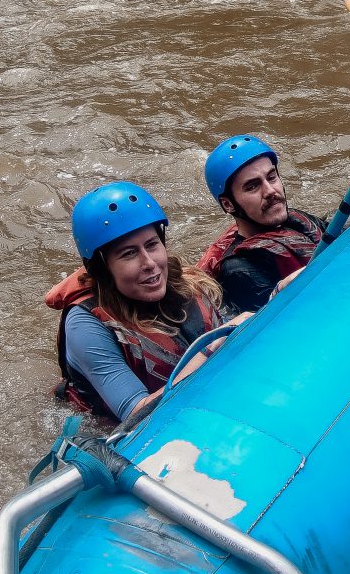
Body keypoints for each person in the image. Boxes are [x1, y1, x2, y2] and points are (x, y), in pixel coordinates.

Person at [46, 181, 226, 424]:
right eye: (129, 253)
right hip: (114, 430)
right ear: (102, 269)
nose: (149, 263)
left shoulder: (185, 282)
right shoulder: (84, 325)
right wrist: (210, 351)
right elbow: (136, 414)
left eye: (152, 245)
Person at [197, 134, 326, 314]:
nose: (270, 191)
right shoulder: (238, 269)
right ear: (228, 204)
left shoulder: (296, 219)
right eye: (252, 187)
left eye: (271, 177)